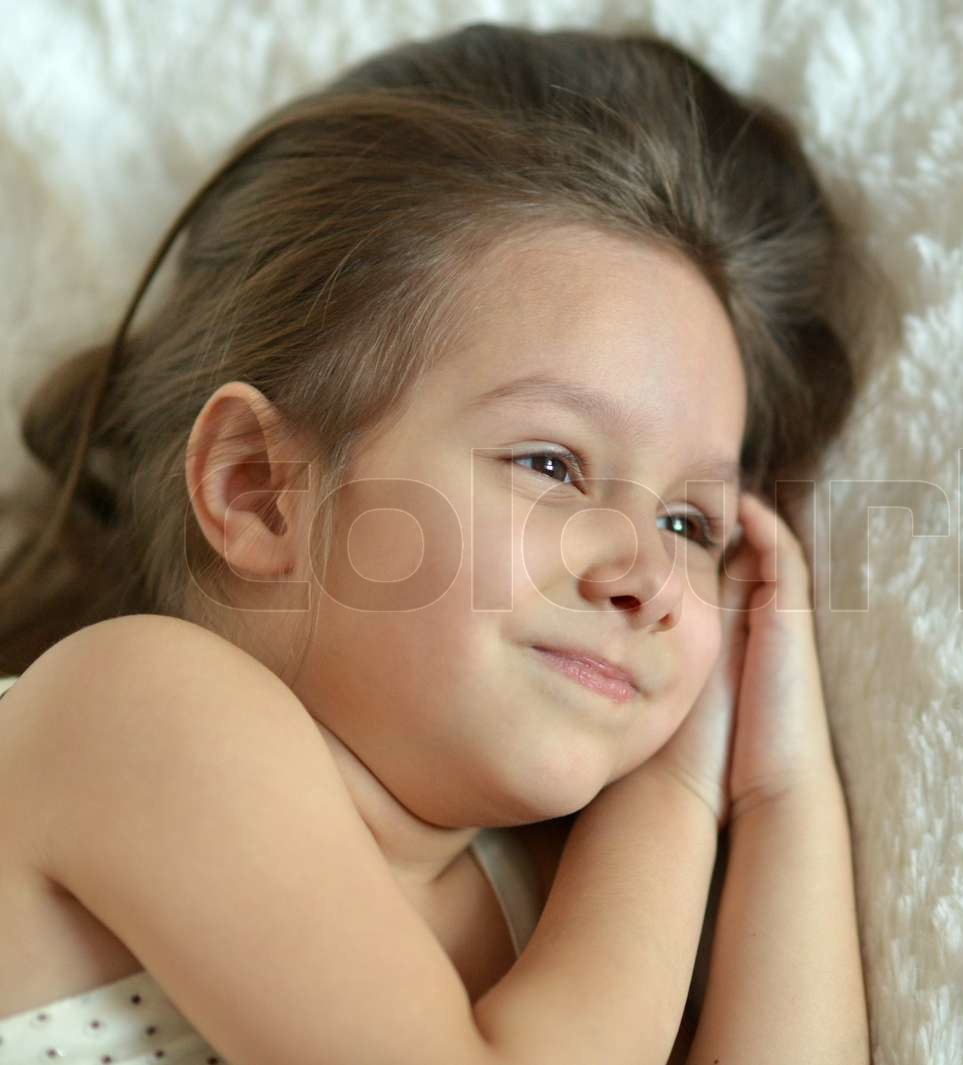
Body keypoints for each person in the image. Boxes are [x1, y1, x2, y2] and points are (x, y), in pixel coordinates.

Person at [0, 21, 876, 1065]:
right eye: (550, 465)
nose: (648, 577)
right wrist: (672, 800)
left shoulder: (562, 924)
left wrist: (775, 791)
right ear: (261, 490)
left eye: (691, 524)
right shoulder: (134, 710)